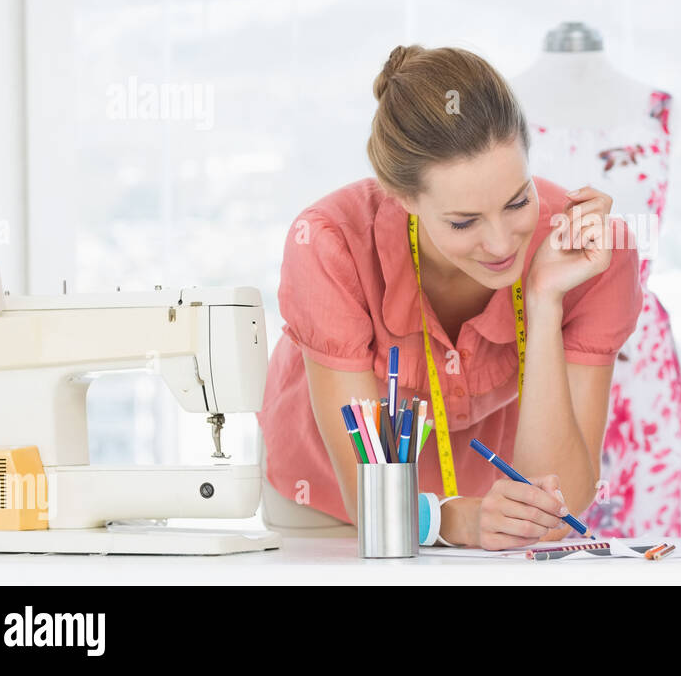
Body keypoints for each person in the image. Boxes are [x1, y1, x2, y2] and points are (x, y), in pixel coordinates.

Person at [257, 44, 642, 550]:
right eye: (463, 222)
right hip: (331, 504)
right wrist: (453, 520)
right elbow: (367, 500)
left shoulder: (584, 250)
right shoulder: (330, 243)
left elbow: (558, 498)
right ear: (402, 198)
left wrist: (544, 301)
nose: (503, 244)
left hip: (486, 514)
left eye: (518, 200)